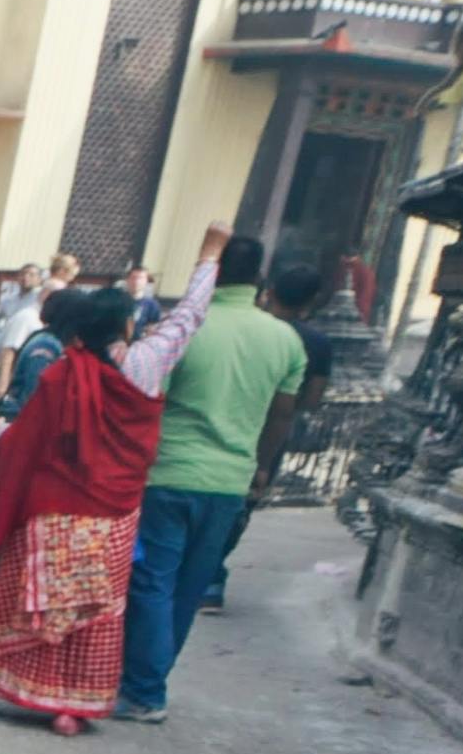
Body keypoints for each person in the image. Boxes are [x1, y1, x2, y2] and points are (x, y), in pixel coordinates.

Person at [0, 223, 229, 736]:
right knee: (95, 609)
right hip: (112, 512)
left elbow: (29, 439)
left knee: (24, 593)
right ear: (127, 327)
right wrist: (208, 255)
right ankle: (70, 706)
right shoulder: (148, 364)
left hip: (51, 505)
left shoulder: (66, 371)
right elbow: (189, 316)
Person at [119, 245, 316, 723]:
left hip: (170, 472)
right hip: (231, 480)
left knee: (152, 583)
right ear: (260, 280)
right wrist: (262, 469)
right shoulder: (286, 339)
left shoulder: (187, 328)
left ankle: (144, 688)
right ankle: (150, 681)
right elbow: (283, 413)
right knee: (189, 587)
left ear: (213, 274)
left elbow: (148, 391)